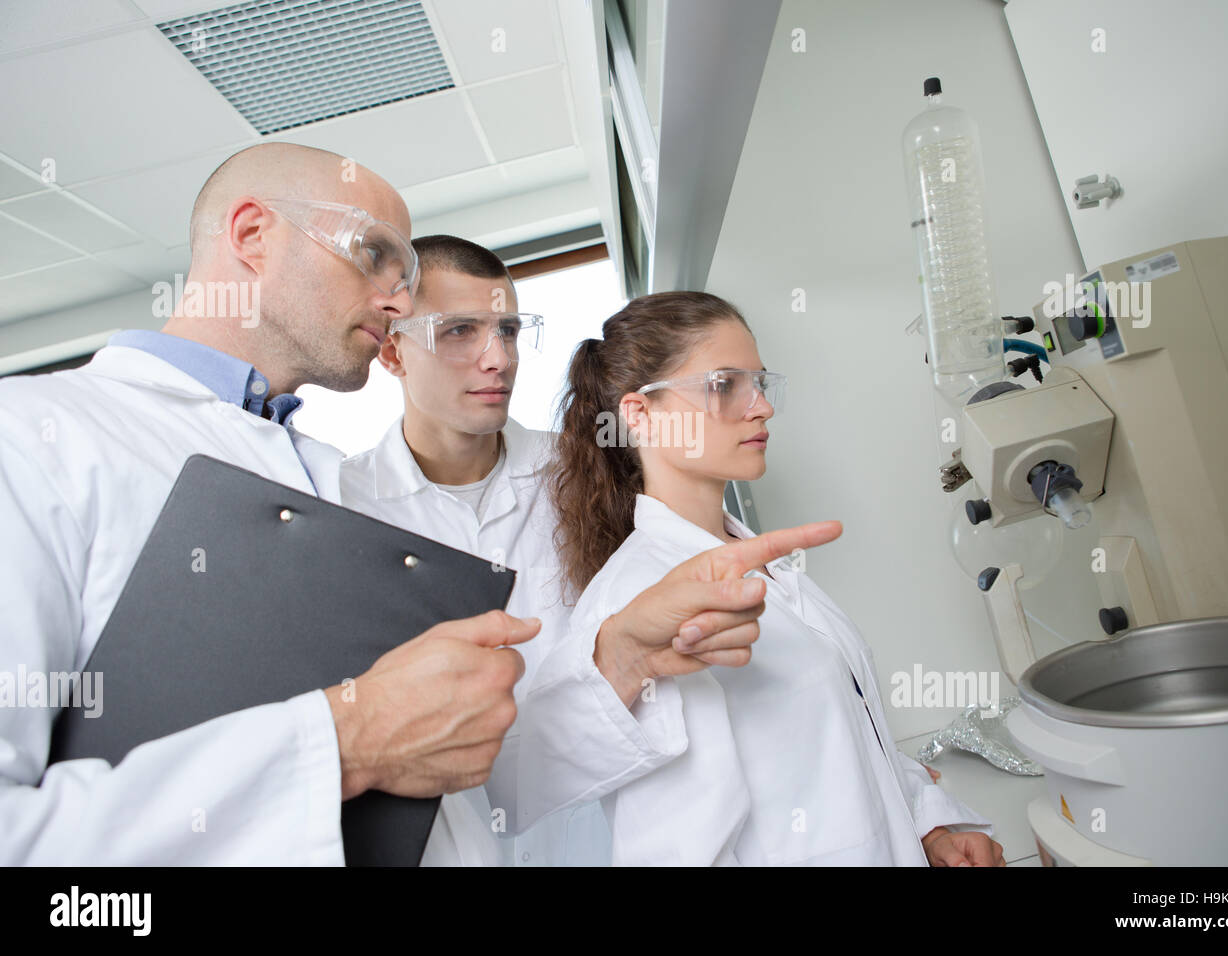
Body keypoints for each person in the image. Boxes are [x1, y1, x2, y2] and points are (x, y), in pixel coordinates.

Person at [0, 144, 834, 864]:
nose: (398, 302)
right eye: (371, 257)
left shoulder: (307, 475)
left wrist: (624, 656)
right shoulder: (34, 438)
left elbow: (473, 778)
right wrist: (343, 741)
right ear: (253, 236)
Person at [537, 290, 1007, 866]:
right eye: (724, 385)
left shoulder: (758, 561)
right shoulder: (641, 604)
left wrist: (927, 825)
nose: (761, 406)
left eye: (759, 383)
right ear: (639, 414)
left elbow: (834, 745)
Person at [339, 235, 609, 864]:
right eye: (460, 330)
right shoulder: (344, 507)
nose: (499, 359)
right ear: (392, 352)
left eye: (509, 330)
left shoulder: (585, 474)